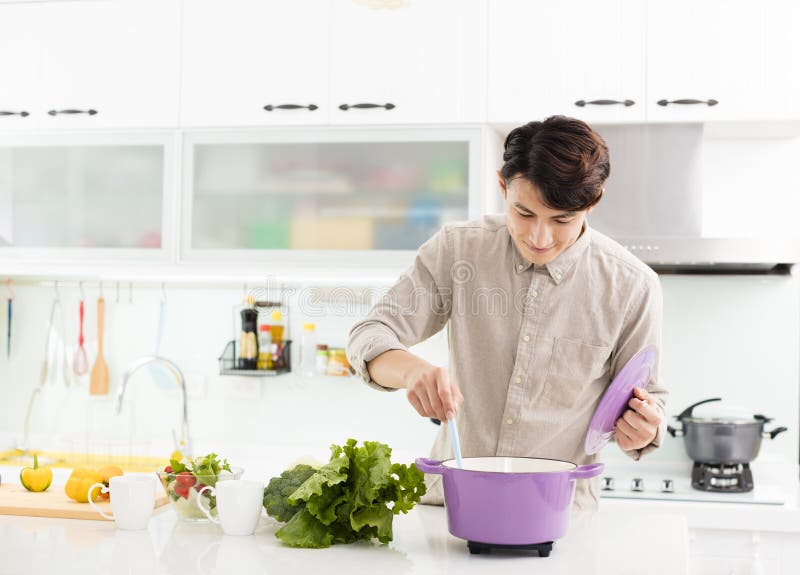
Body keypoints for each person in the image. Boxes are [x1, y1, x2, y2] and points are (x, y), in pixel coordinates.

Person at [346, 115, 666, 511]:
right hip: (452, 506)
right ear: (502, 186)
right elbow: (370, 335)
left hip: (556, 513)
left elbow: (647, 398)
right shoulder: (459, 250)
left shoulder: (633, 286)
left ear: (593, 200)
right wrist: (412, 371)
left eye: (562, 220)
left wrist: (643, 428)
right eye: (524, 213)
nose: (539, 237)